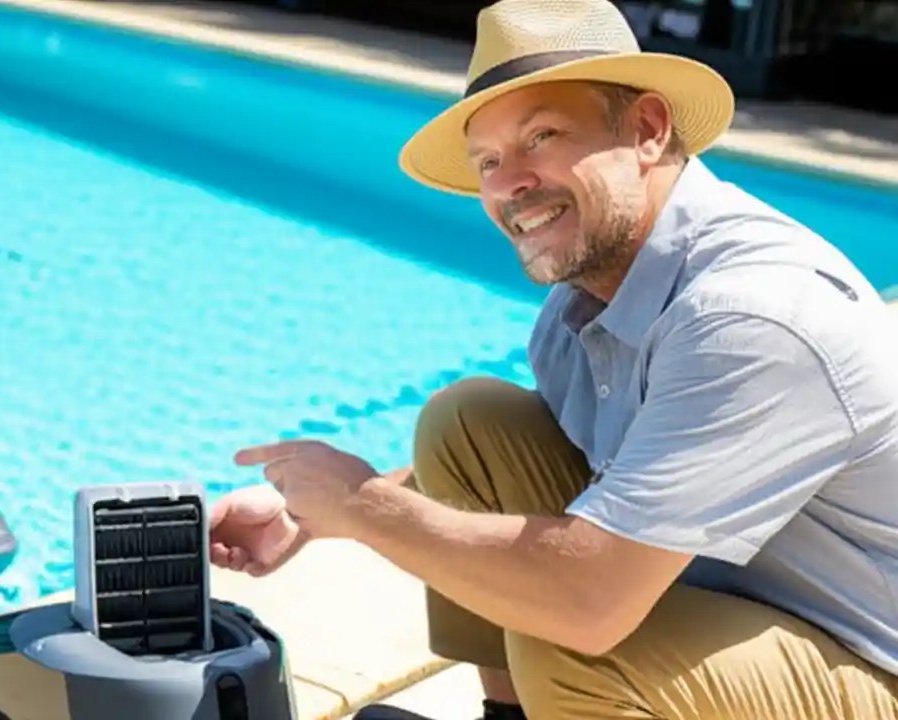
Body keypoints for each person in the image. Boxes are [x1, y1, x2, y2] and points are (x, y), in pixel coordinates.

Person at [207, 0, 898, 718]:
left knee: (569, 628)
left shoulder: (750, 316)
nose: (511, 182)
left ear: (649, 131)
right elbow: (609, 473)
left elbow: (590, 600)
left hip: (871, 661)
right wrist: (317, 512)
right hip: (744, 613)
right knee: (469, 426)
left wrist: (364, 506)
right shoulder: (584, 305)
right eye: (490, 161)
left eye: (543, 136)